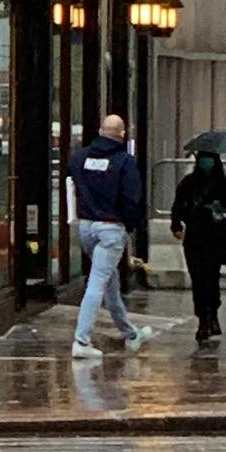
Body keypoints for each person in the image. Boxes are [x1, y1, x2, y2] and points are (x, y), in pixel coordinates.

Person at [68, 112, 149, 350]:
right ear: (122, 135)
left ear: (100, 131)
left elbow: (71, 182)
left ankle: (129, 333)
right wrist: (129, 226)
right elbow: (132, 198)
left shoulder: (79, 158)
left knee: (109, 281)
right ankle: (81, 340)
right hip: (111, 229)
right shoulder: (125, 162)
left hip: (86, 227)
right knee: (97, 283)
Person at [170, 142, 226, 349]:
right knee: (198, 280)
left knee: (211, 278)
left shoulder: (221, 185)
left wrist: (219, 211)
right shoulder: (188, 183)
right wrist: (176, 224)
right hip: (195, 237)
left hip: (215, 237)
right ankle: (203, 318)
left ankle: (212, 314)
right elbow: (177, 206)